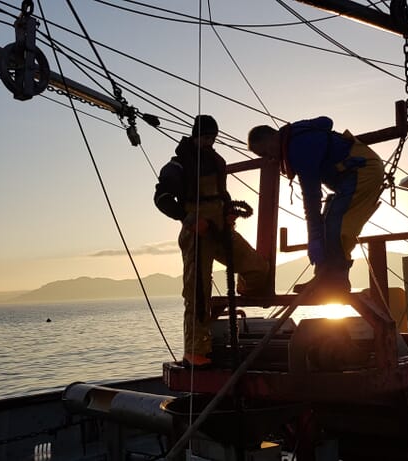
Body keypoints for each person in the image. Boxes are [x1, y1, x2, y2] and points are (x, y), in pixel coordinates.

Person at [154, 115, 270, 368]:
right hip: (196, 234)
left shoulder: (217, 162)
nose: (209, 142)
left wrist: (228, 211)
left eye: (212, 137)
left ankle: (245, 286)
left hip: (220, 229)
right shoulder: (177, 166)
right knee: (198, 293)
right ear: (195, 136)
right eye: (205, 137)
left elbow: (223, 193)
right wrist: (189, 219)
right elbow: (162, 198)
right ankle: (195, 352)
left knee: (258, 266)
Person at [247, 117, 384, 297]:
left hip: (362, 170)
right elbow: (326, 120)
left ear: (272, 138)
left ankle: (337, 281)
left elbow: (311, 198)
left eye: (266, 151)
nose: (270, 158)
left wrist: (314, 239)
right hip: (354, 173)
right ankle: (323, 277)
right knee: (329, 222)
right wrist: (317, 236)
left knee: (336, 226)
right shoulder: (297, 135)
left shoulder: (299, 148)